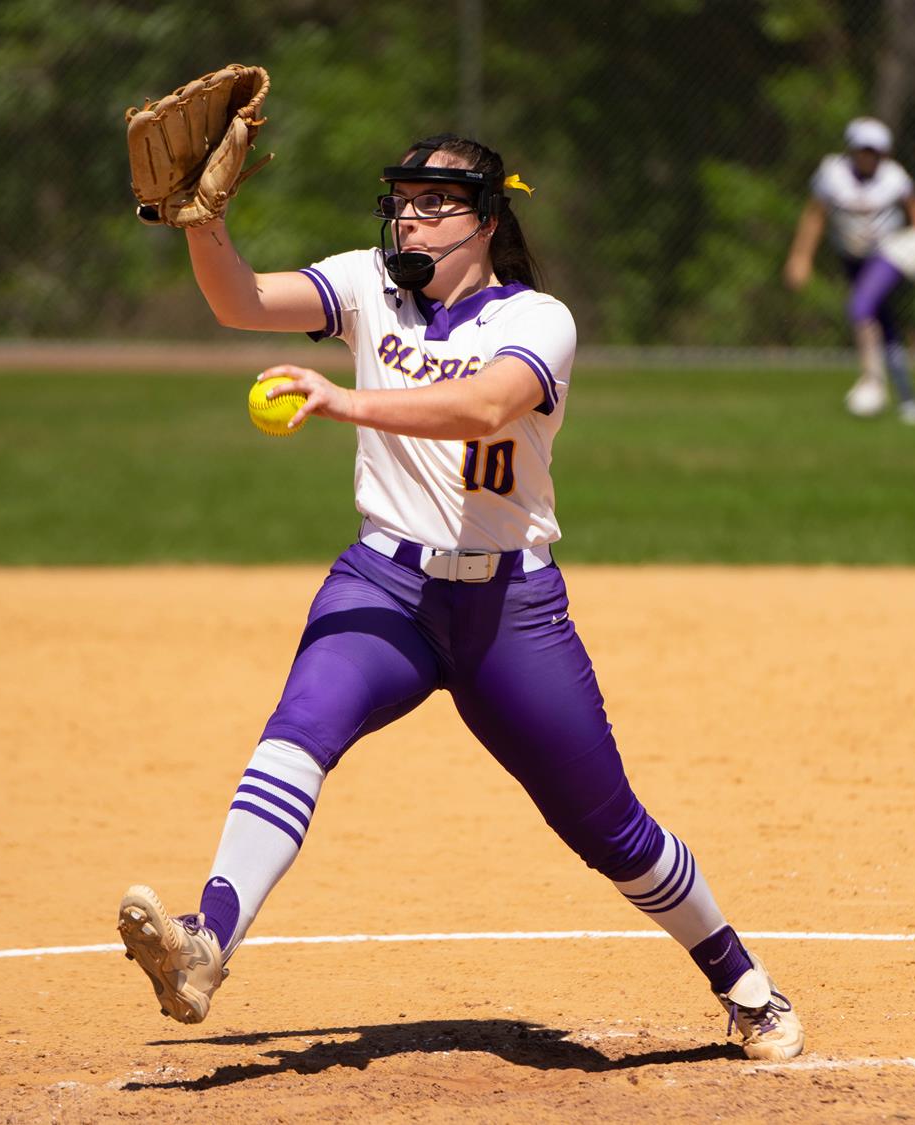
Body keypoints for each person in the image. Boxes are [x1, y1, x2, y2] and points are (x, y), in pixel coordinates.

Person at [115, 133, 805, 1061]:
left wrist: (339, 400)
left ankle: (743, 983)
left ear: (486, 219)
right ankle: (207, 943)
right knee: (298, 729)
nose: (409, 215)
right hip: (385, 584)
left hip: (508, 613)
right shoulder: (367, 284)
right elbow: (240, 300)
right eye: (401, 198)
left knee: (609, 827)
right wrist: (204, 224)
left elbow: (483, 407)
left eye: (434, 201)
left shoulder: (540, 320)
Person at [784, 116, 915, 424]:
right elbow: (815, 216)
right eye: (863, 150)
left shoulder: (894, 177)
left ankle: (872, 382)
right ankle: (908, 399)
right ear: (851, 150)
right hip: (851, 258)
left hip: (887, 254)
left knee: (860, 307)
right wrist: (800, 257)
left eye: (875, 151)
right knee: (883, 323)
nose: (869, 157)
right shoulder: (832, 175)